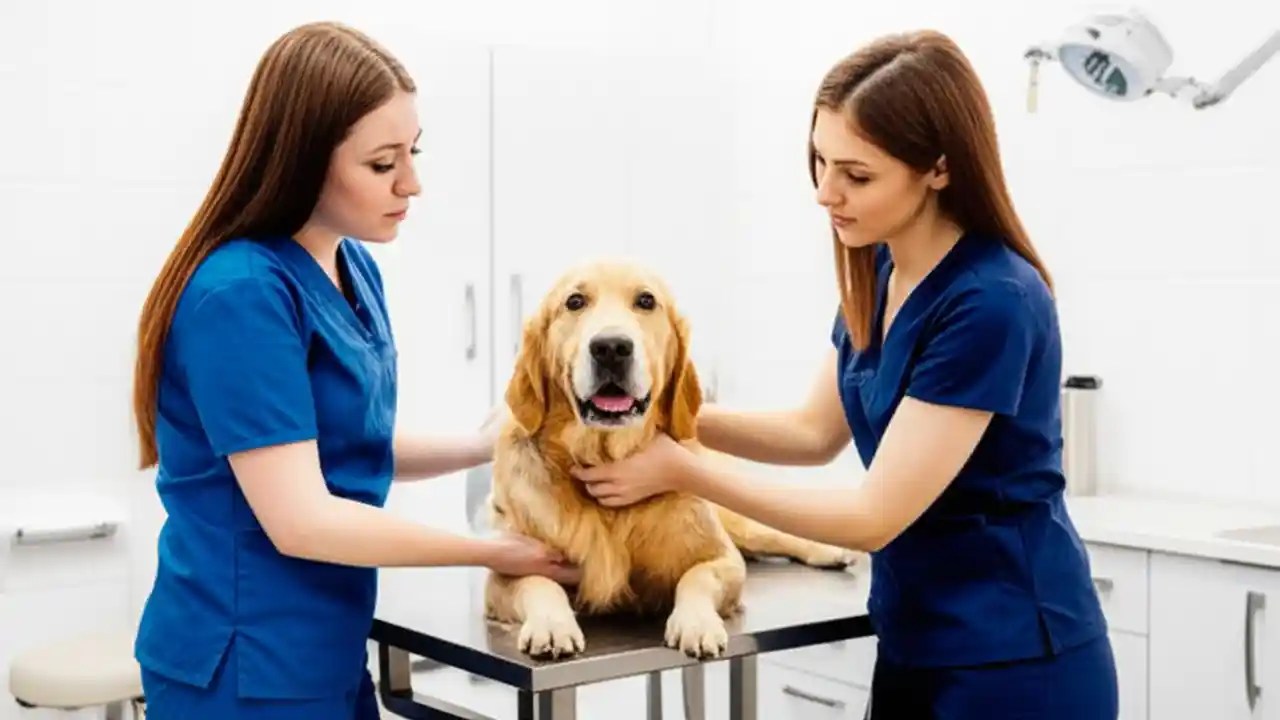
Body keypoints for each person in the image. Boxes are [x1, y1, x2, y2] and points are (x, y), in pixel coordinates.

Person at [571, 29, 1119, 719]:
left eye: (857, 175)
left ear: (940, 169)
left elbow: (872, 517)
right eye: (819, 162)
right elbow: (811, 432)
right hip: (914, 640)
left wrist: (681, 468)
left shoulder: (992, 302)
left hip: (1015, 657)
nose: (827, 193)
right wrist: (643, 409)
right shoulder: (881, 270)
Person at [130, 21, 579, 719]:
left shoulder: (352, 267)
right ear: (305, 159)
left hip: (327, 649)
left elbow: (343, 451)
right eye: (382, 163)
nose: (413, 182)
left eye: (414, 152)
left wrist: (489, 442)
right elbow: (302, 518)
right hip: (241, 668)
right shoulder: (241, 294)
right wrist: (491, 552)